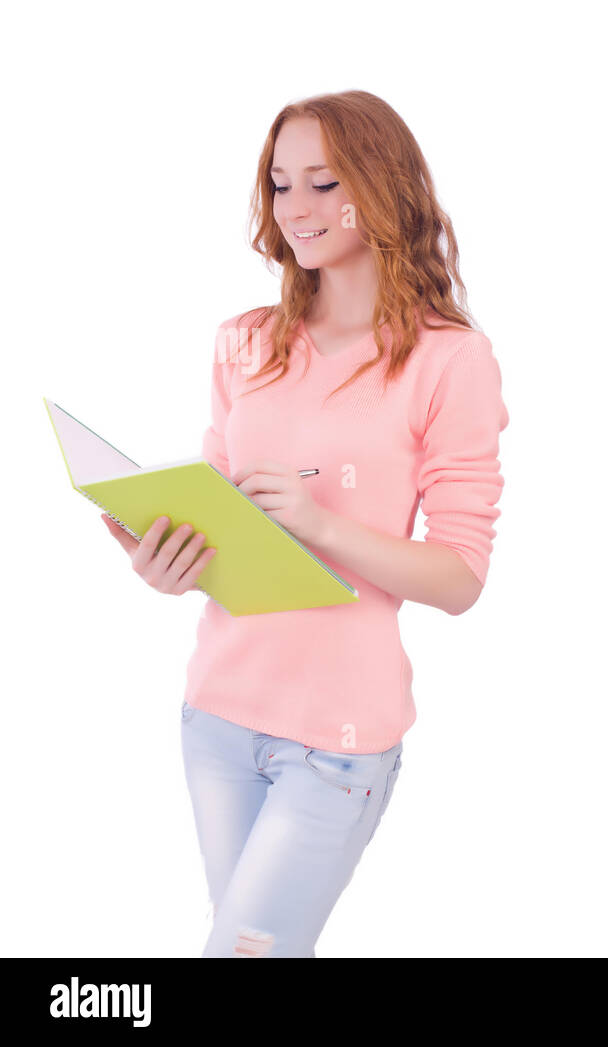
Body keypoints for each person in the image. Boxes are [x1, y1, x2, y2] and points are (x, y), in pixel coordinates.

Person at [102, 90, 509, 957]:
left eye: (324, 182)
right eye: (281, 185)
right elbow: (220, 520)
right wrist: (167, 557)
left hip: (337, 741)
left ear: (382, 187)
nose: (296, 209)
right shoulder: (244, 341)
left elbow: (461, 578)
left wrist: (322, 525)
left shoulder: (449, 359)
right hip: (214, 716)